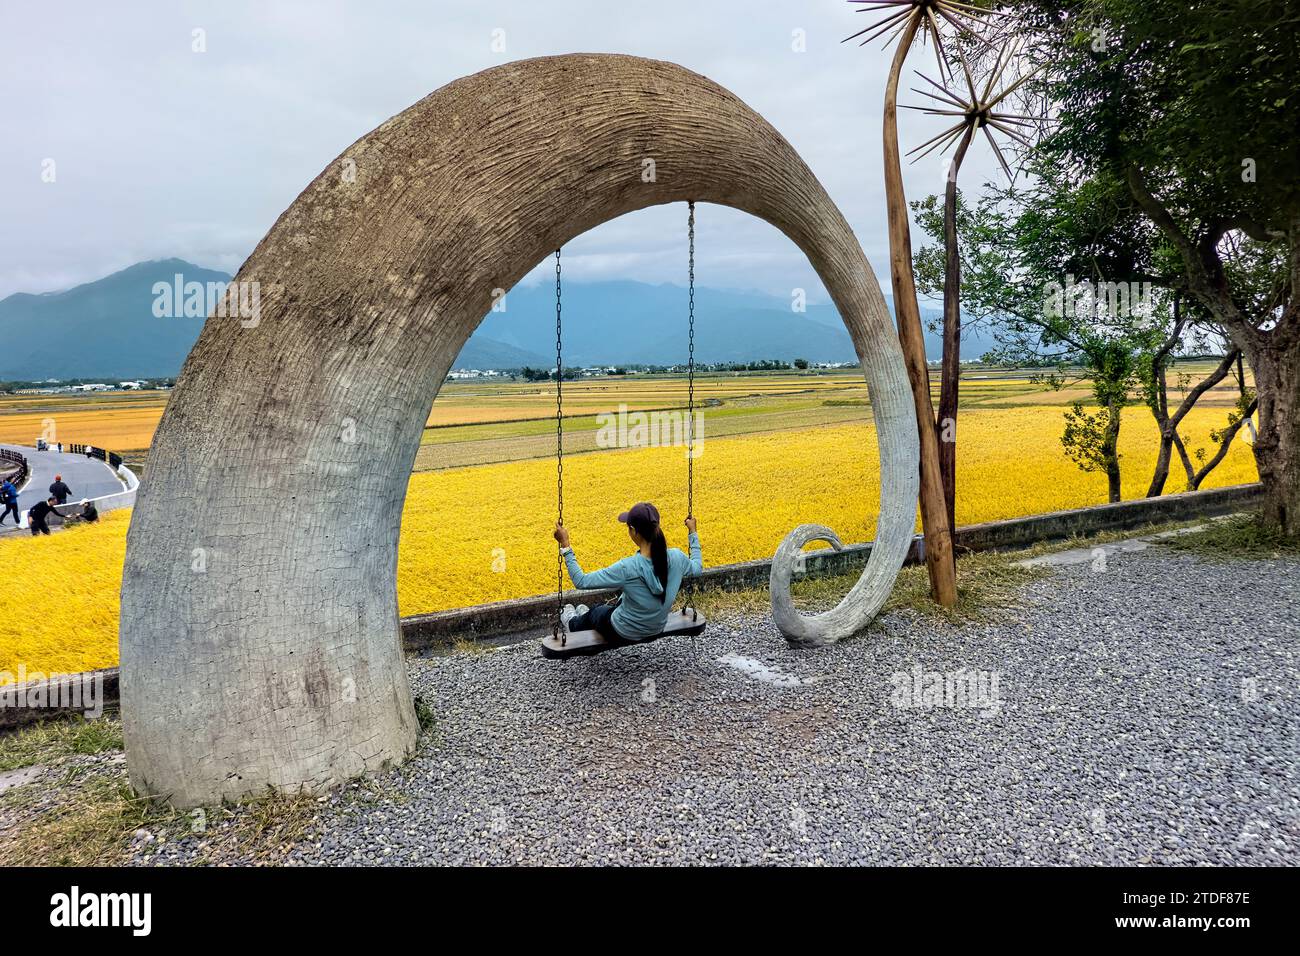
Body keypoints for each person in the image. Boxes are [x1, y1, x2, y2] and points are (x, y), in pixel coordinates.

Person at [552, 501, 703, 643]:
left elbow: (581, 581)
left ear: (634, 531)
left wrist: (565, 546)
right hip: (656, 627)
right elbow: (697, 568)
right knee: (613, 605)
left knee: (596, 613)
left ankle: (571, 622)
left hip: (623, 631)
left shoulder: (627, 567)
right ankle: (585, 615)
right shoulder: (677, 557)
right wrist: (692, 532)